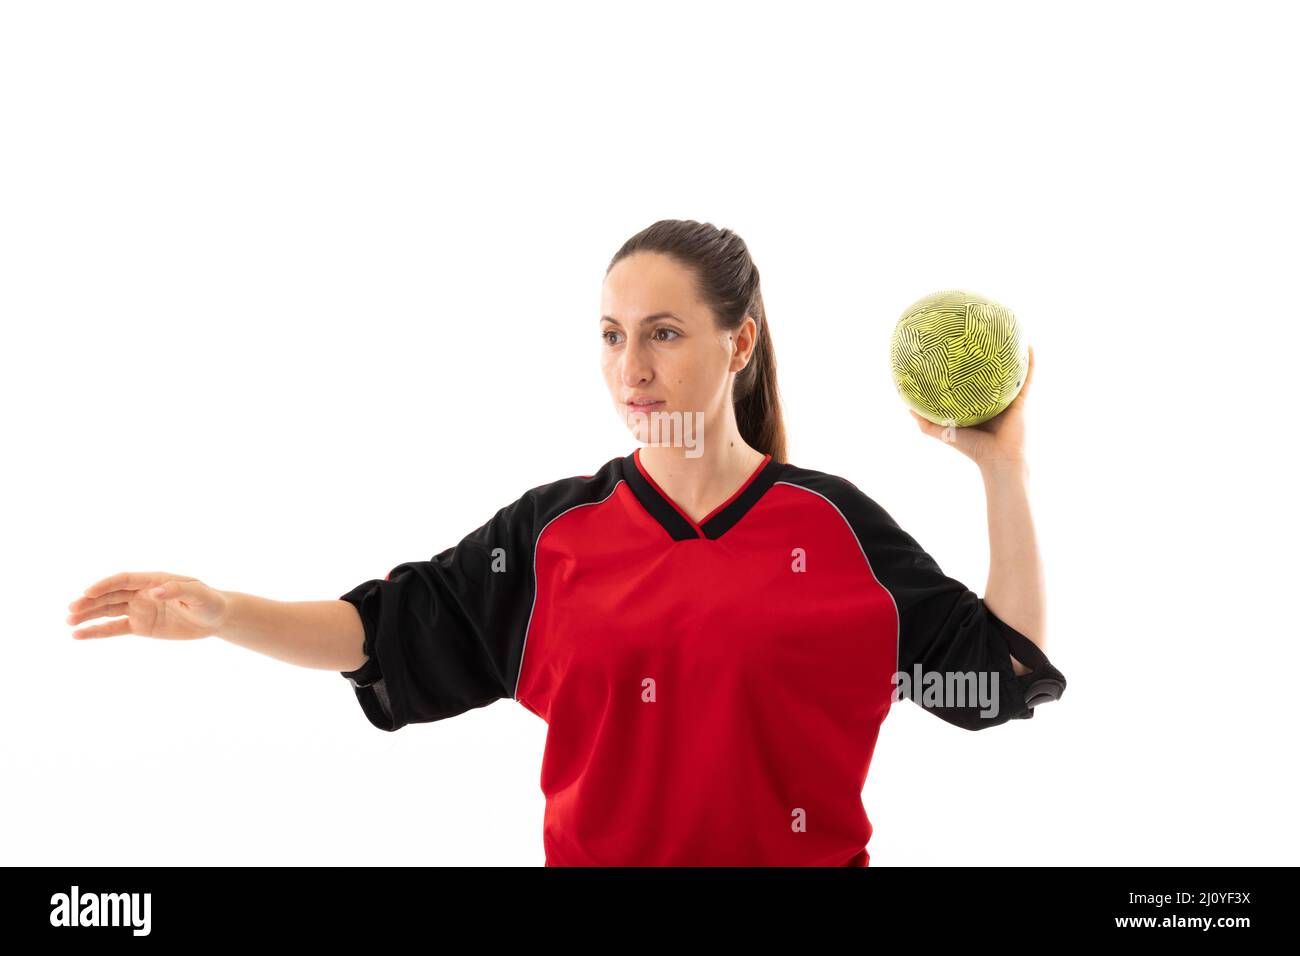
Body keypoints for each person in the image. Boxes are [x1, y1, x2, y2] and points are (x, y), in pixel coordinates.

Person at [66, 218, 1066, 867]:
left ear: (740, 342)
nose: (630, 365)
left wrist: (1000, 469)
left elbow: (1001, 675)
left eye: (663, 332)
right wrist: (221, 612)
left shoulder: (833, 529)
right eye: (609, 333)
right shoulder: (551, 536)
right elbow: (386, 632)